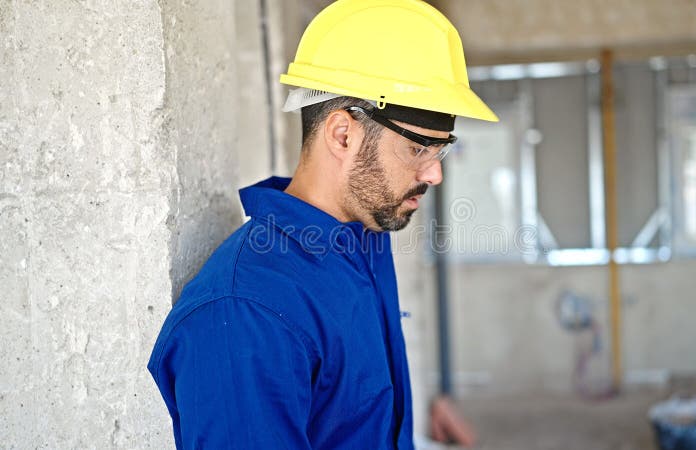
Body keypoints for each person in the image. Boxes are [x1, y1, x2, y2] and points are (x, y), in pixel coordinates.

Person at [147, 0, 497, 448]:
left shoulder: (361, 245)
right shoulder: (245, 311)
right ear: (343, 134)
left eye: (441, 149)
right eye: (418, 148)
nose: (435, 173)